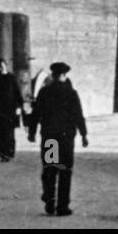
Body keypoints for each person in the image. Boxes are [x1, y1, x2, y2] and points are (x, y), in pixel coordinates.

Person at [26, 61, 88, 217]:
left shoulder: (44, 92)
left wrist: (32, 132)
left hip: (50, 138)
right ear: (65, 75)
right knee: (65, 171)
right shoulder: (72, 94)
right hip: (66, 140)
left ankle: (49, 199)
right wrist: (84, 134)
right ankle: (62, 207)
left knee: (49, 169)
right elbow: (78, 115)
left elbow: (36, 114)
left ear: (53, 75)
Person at [0, 58, 25, 161]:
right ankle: (2, 154)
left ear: (6, 66)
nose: (0, 69)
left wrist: (22, 105)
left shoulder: (12, 78)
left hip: (9, 110)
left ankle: (9, 154)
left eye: (2, 67)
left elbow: (18, 92)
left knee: (8, 133)